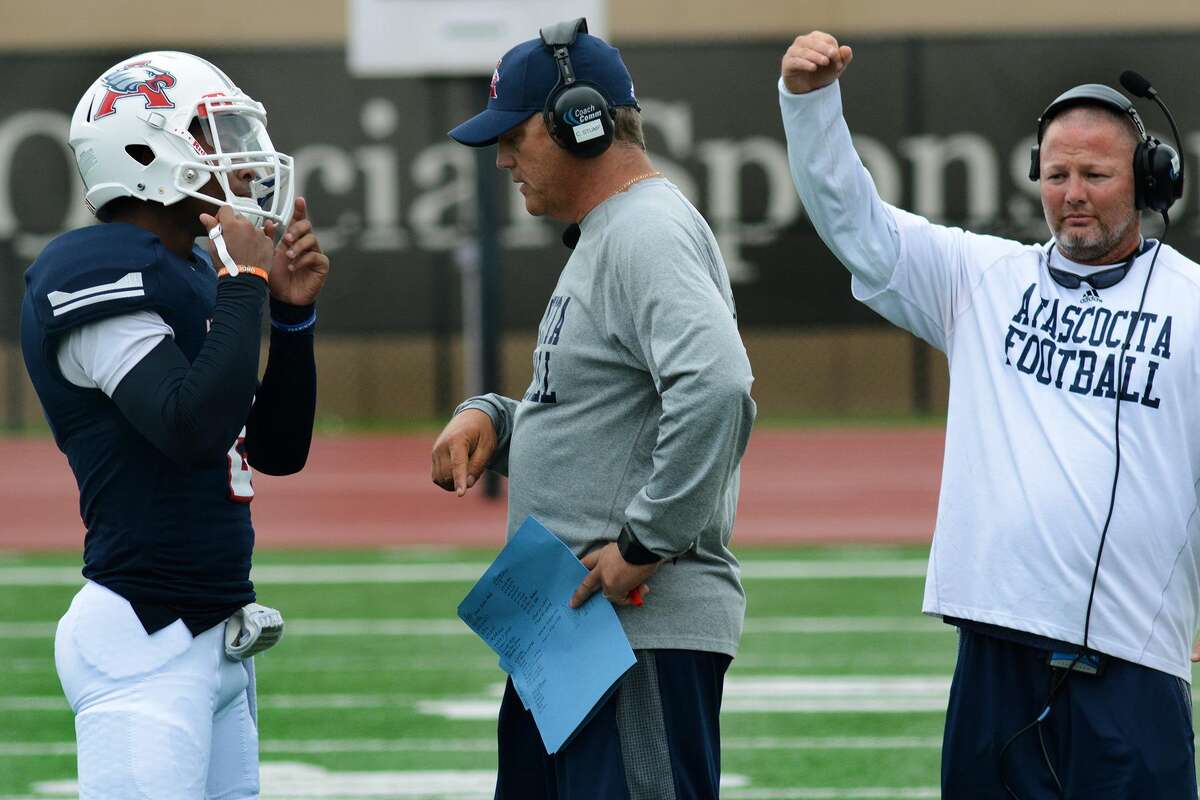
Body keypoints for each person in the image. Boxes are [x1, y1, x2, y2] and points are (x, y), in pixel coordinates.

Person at [780, 30, 1197, 799]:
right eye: (1057, 173)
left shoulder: (1192, 302)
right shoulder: (983, 279)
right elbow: (854, 224)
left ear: (1147, 182)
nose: (1072, 193)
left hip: (1136, 658)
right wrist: (811, 107)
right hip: (994, 649)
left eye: (1097, 175)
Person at [431, 18, 756, 799]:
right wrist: (495, 420)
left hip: (630, 637)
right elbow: (597, 411)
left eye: (516, 135)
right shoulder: (613, 234)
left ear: (581, 122)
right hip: (579, 638)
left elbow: (717, 387)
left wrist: (645, 543)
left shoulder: (645, 231)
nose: (504, 158)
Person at [20, 50, 329, 798]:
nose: (242, 157)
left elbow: (277, 451)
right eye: (217, 132)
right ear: (146, 150)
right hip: (142, 637)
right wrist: (246, 286)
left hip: (213, 633)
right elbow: (187, 428)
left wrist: (288, 316)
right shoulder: (93, 268)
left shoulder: (192, 272)